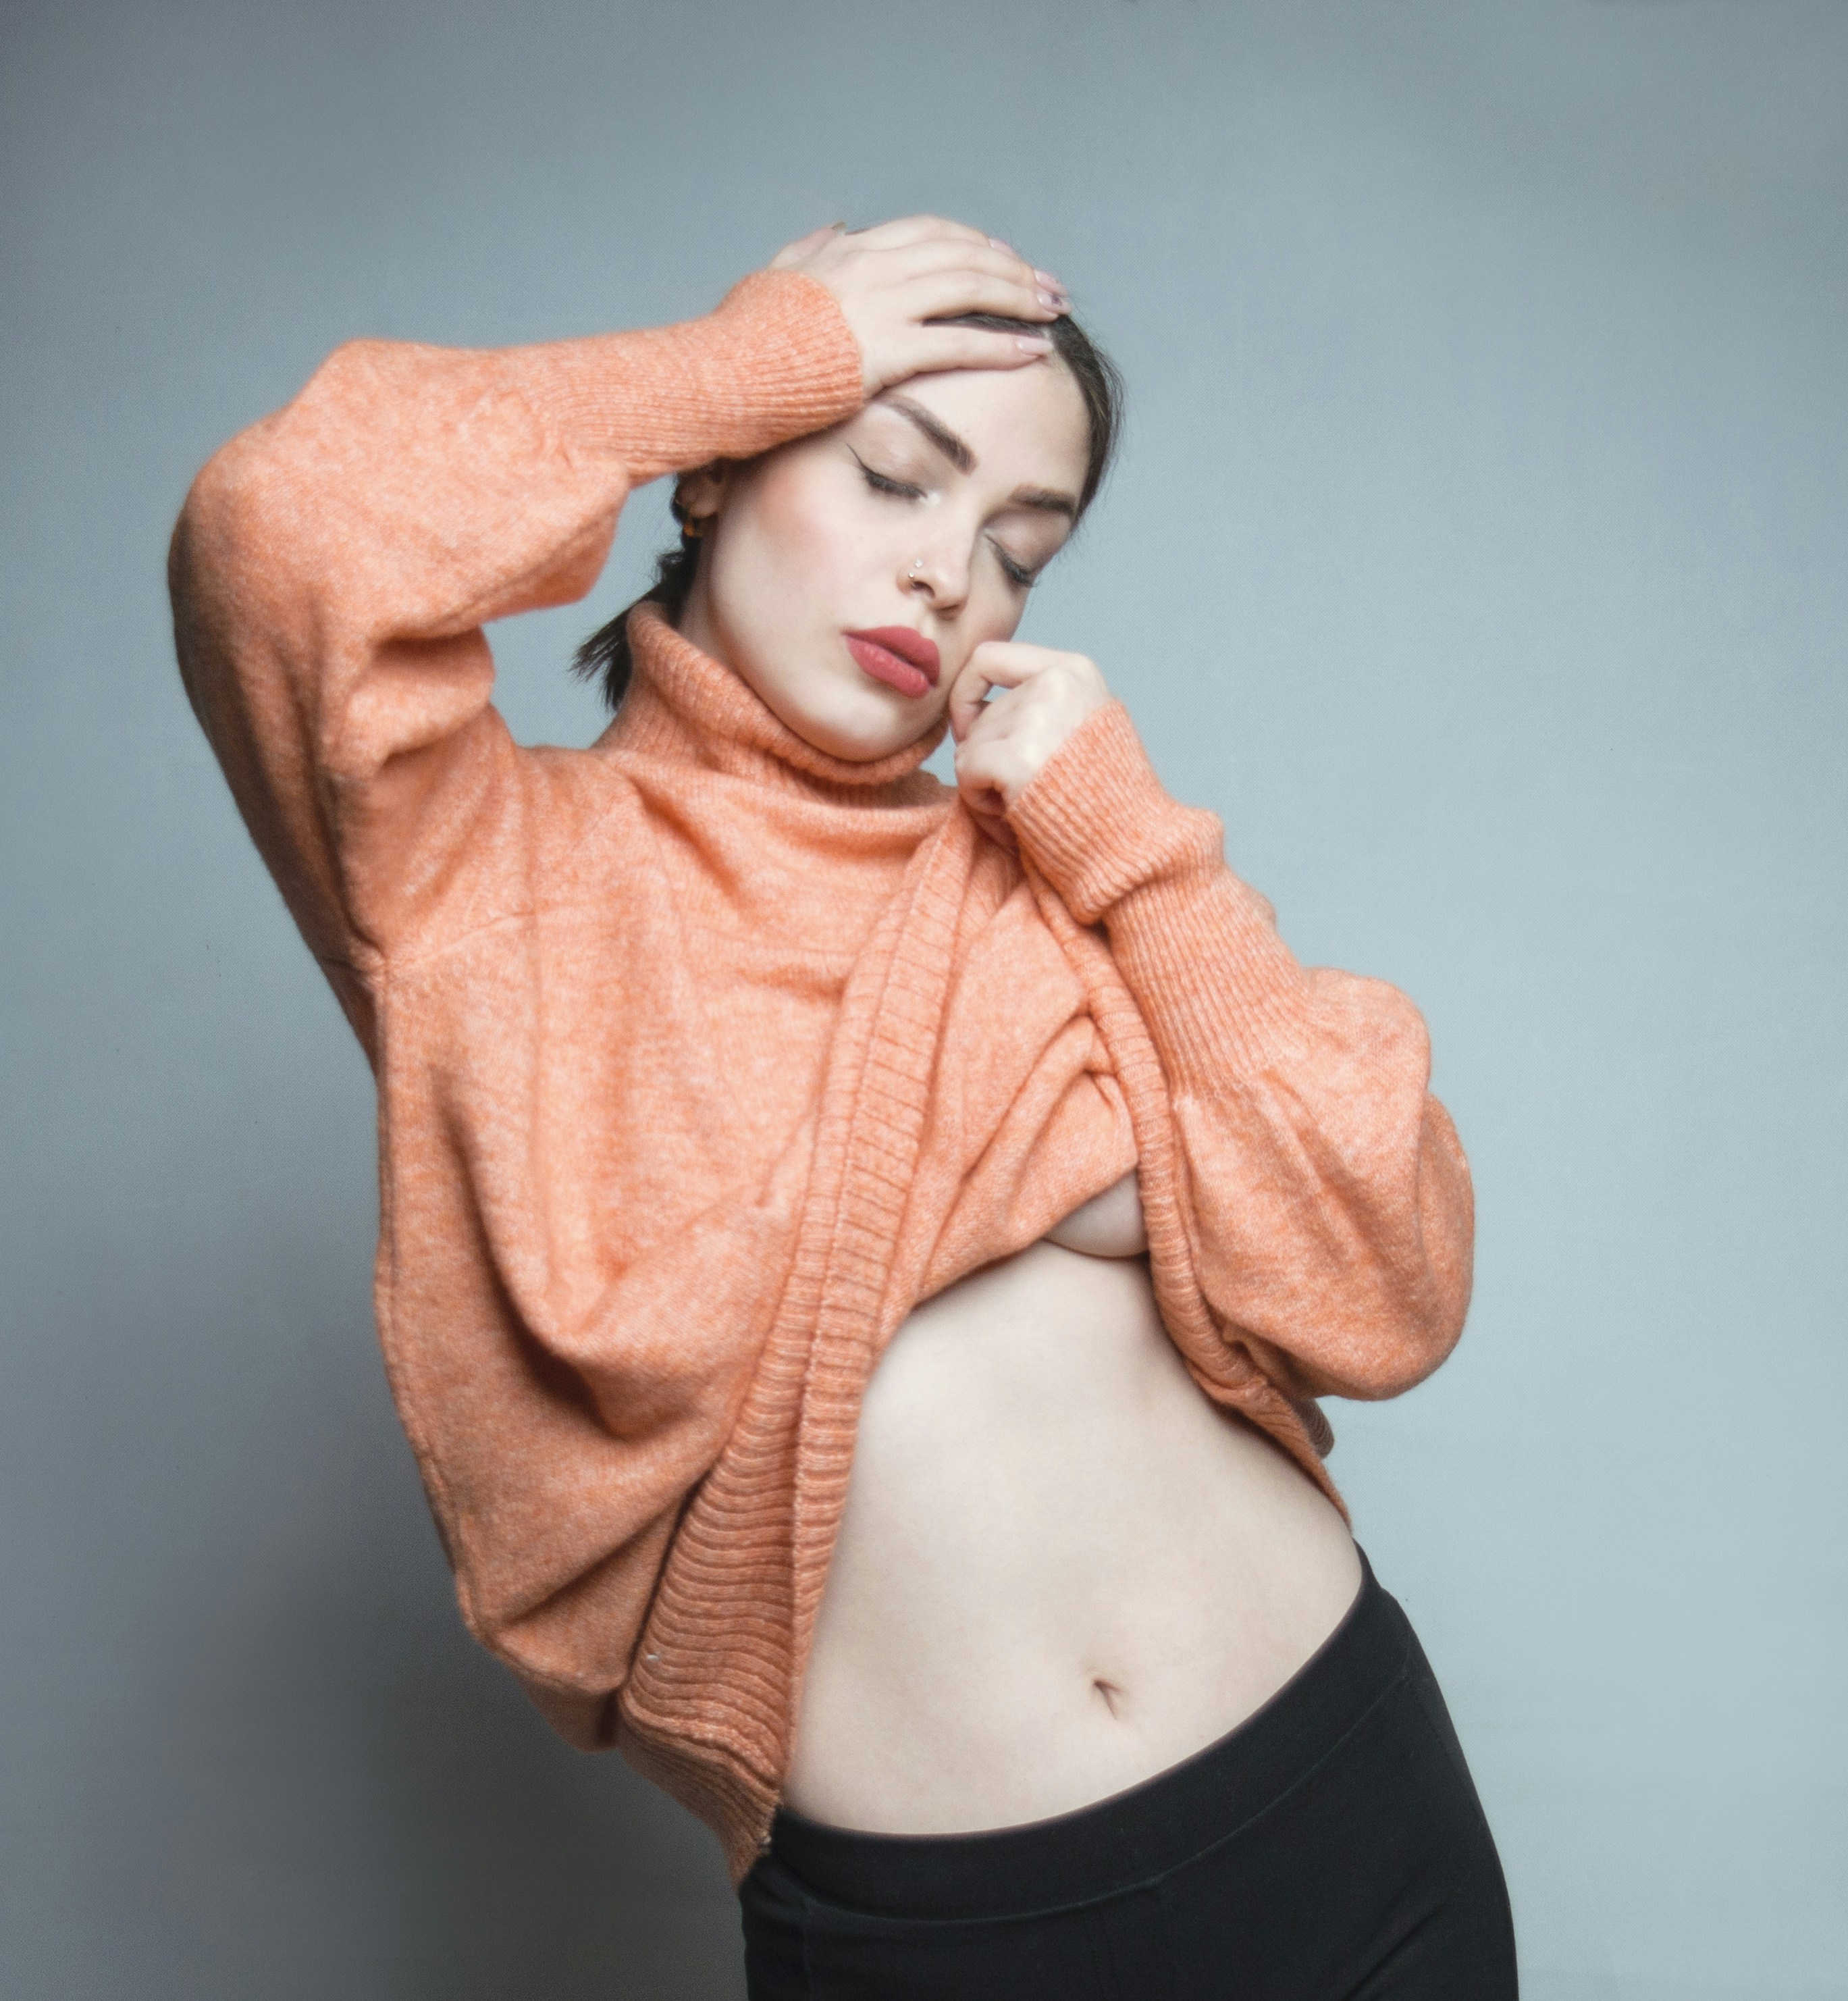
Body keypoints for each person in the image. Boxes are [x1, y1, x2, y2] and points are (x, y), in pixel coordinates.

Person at [169, 215, 1519, 1998]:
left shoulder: (1056, 873)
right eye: (891, 474)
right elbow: (282, 530)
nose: (948, 572)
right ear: (721, 473)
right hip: (951, 1927)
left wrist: (1136, 853)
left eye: (1016, 546)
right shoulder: (496, 888)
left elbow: (1388, 1273)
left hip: (1355, 1804)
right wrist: (740, 362)